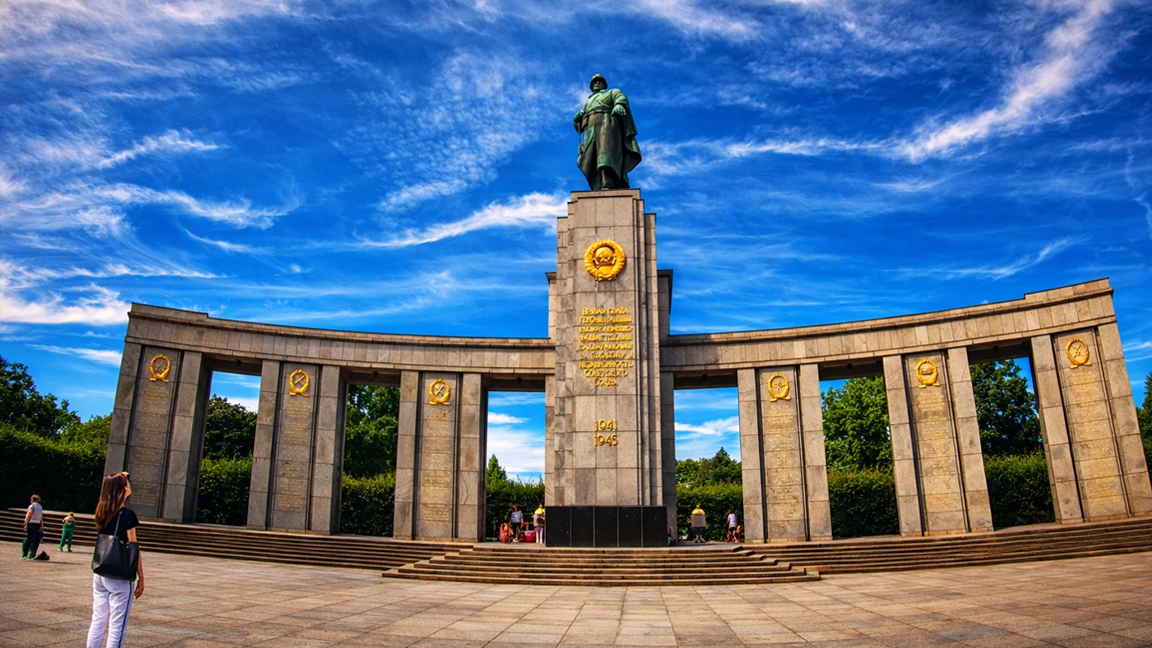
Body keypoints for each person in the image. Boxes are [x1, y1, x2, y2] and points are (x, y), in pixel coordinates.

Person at [87, 472, 145, 648]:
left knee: (97, 621)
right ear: (123, 488)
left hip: (100, 572)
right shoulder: (128, 516)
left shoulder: (101, 511)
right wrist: (141, 577)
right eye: (127, 482)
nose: (129, 484)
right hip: (120, 577)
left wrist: (120, 476)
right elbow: (134, 548)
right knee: (117, 627)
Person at [573, 74, 642, 191]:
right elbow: (579, 126)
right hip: (591, 130)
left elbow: (620, 97)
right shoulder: (588, 102)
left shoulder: (611, 92)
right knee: (592, 157)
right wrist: (577, 119)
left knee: (605, 155)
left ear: (604, 84)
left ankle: (608, 182)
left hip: (607, 124)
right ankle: (599, 183)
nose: (597, 83)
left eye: (600, 81)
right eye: (594, 82)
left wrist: (619, 105)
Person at [22, 495, 43, 560]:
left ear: (32, 500)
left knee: (29, 539)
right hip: (37, 523)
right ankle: (32, 554)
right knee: (36, 540)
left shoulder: (32, 506)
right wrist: (42, 525)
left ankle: (24, 555)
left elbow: (29, 513)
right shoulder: (40, 506)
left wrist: (26, 523)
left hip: (31, 523)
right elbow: (41, 516)